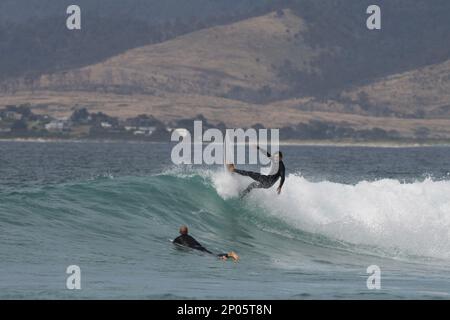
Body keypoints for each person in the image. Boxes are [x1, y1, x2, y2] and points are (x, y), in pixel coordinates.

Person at [173, 225, 239, 261]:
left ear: (180, 232)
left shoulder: (178, 238)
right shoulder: (190, 237)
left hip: (196, 249)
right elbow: (198, 244)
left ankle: (229, 254)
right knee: (213, 254)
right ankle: (227, 255)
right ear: (187, 231)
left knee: (213, 256)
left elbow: (174, 243)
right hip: (200, 247)